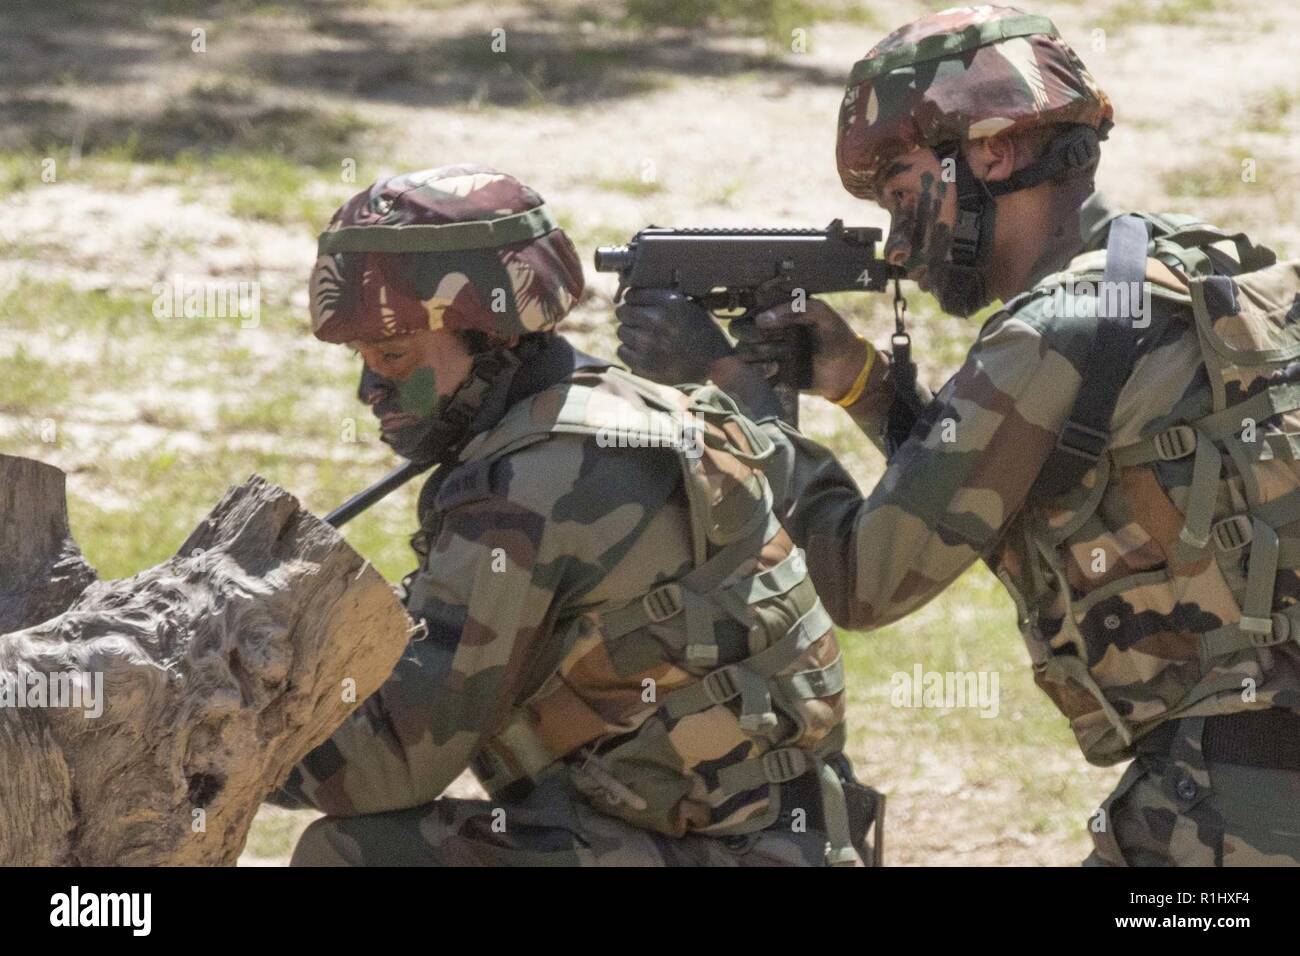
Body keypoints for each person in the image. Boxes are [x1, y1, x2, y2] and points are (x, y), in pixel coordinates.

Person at [615, 6, 1300, 865]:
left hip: (1242, 809)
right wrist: (861, 383)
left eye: (902, 192)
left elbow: (865, 581)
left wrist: (737, 399)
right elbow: (993, 486)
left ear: (992, 153)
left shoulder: (1048, 336)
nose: (899, 248)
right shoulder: (1190, 274)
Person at [270, 164, 881, 866]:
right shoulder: (631, 408)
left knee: (354, 855)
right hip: (782, 841)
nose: (370, 389)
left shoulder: (531, 483)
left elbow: (391, 764)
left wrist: (218, 749)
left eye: (394, 353)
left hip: (725, 850)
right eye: (363, 357)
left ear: (488, 335)